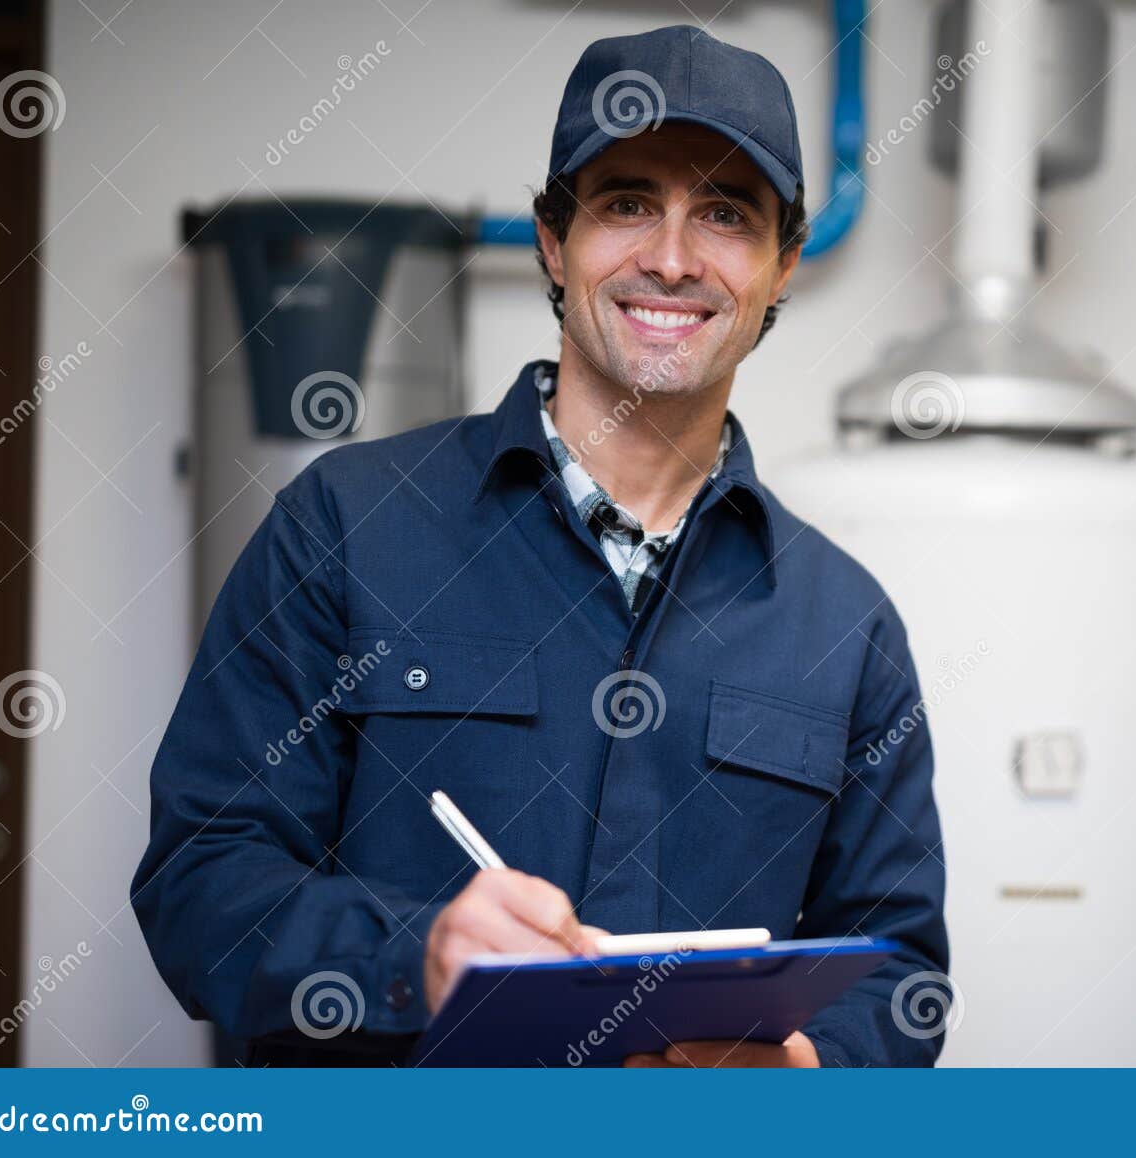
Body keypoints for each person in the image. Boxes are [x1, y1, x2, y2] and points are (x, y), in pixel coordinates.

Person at [132, 23, 948, 1068]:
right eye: (625, 203)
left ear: (783, 263)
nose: (670, 256)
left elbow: (902, 974)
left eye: (726, 215)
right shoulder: (345, 525)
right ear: (552, 241)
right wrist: (414, 955)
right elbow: (202, 883)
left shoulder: (846, 623)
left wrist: (806, 1068)